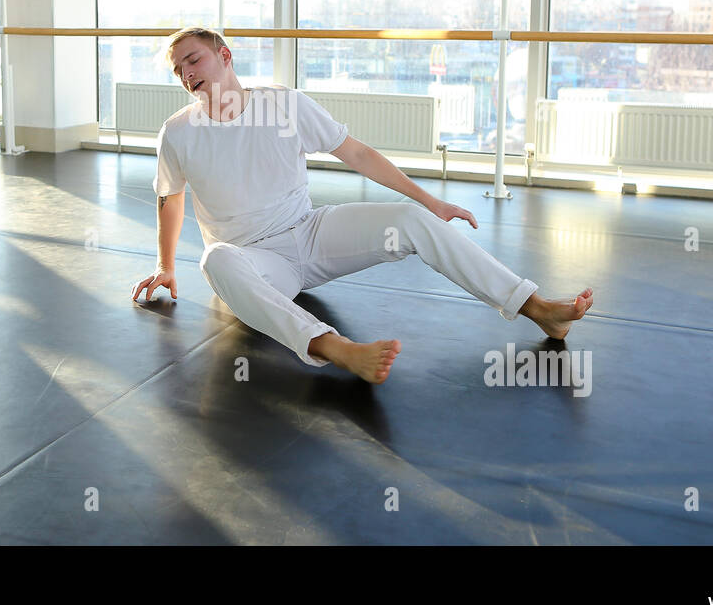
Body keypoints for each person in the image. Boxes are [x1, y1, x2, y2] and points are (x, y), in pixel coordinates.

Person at [132, 26, 593, 384]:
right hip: (254, 260)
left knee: (409, 219)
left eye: (193, 59)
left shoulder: (286, 105)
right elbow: (169, 197)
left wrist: (430, 201)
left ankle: (536, 308)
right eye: (179, 71)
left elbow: (356, 154)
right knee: (215, 261)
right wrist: (165, 265)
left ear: (225, 56)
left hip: (311, 234)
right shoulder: (178, 132)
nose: (187, 74)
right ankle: (334, 349)